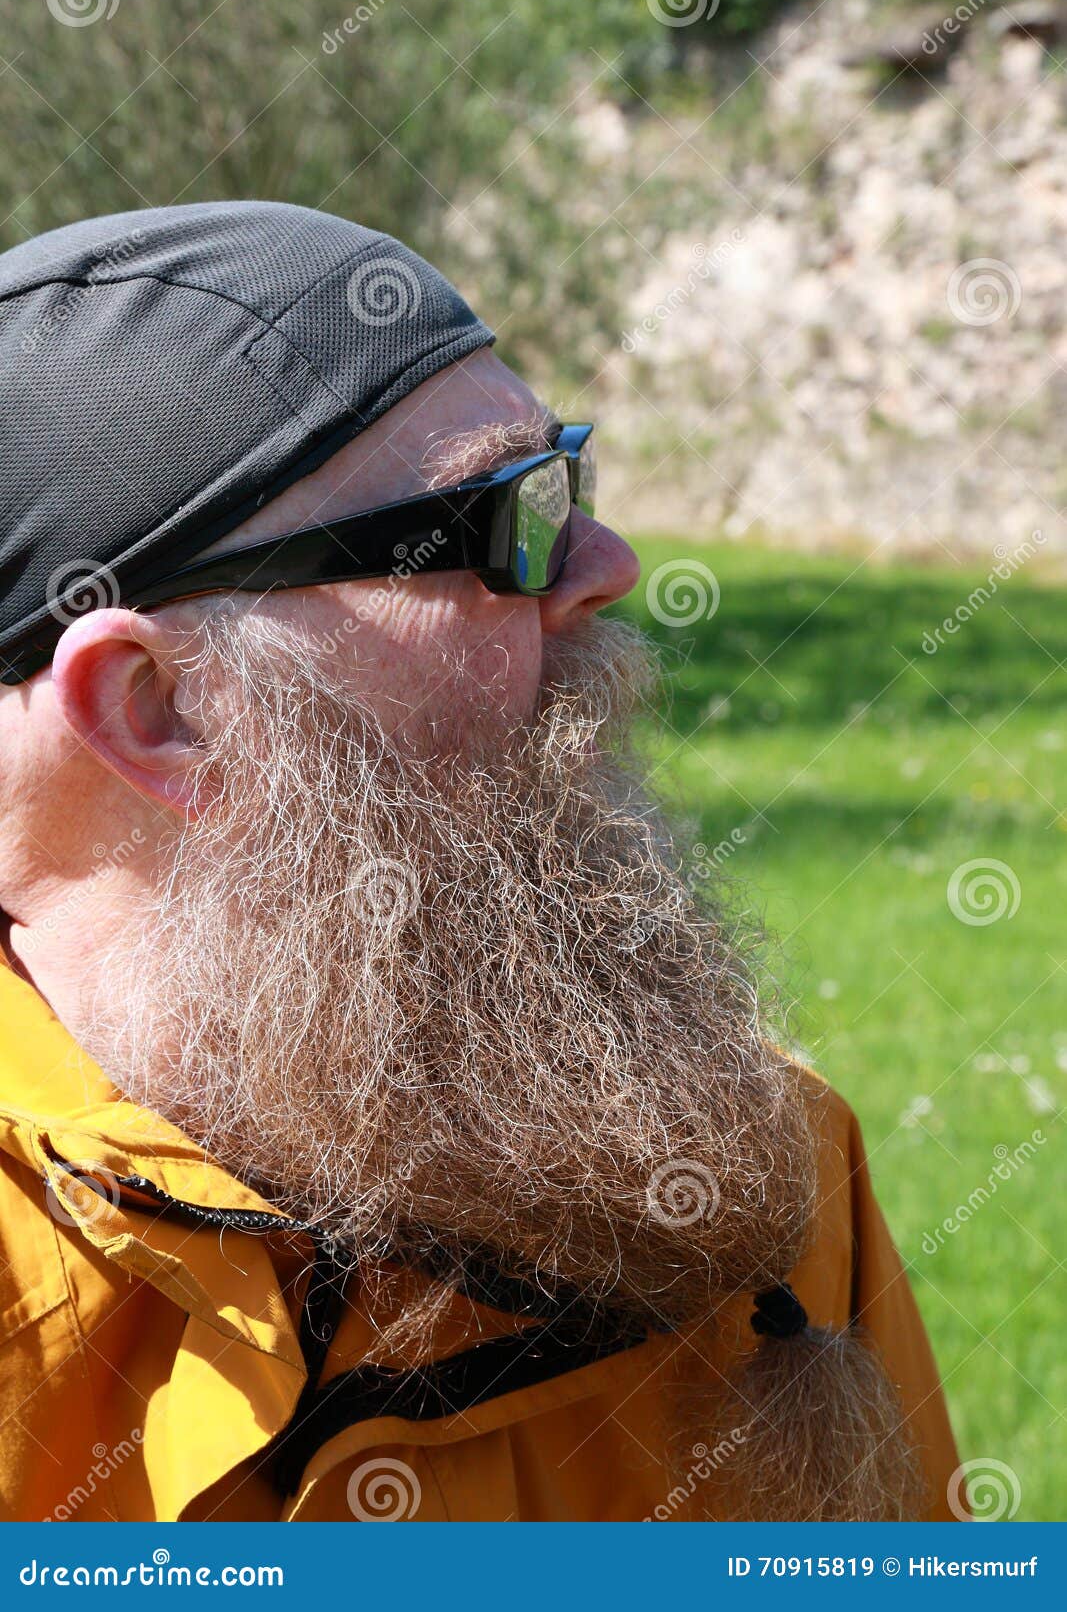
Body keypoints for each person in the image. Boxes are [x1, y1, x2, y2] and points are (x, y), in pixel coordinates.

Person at [0, 202, 960, 1522]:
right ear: (156, 710)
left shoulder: (761, 1177)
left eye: (572, 477)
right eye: (509, 515)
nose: (607, 567)